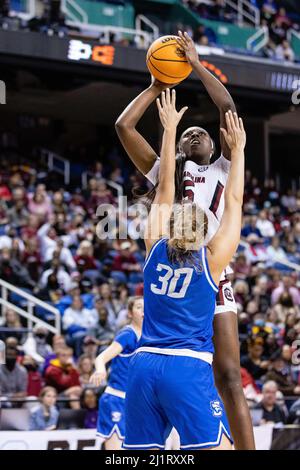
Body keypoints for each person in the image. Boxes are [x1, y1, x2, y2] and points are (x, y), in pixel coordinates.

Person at [115, 30, 254, 449]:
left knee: (229, 374)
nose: (194, 135)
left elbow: (227, 107)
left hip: (213, 265)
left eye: (202, 133)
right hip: (174, 260)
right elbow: (124, 126)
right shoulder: (165, 170)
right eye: (187, 133)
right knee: (179, 358)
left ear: (216, 146)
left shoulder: (223, 168)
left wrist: (195, 64)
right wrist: (156, 85)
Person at [89, 296, 143, 450]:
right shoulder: (127, 335)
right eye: (139, 307)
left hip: (137, 402)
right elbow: (101, 357)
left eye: (146, 307)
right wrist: (100, 370)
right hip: (117, 399)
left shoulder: (151, 335)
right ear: (130, 313)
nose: (144, 310)